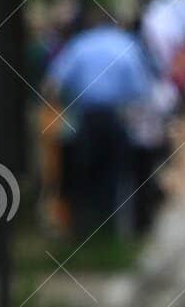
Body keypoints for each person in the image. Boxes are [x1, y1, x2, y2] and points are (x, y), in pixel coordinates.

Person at [44, 15, 157, 239]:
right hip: (116, 119)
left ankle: (84, 229)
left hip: (85, 120)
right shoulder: (126, 45)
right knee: (116, 173)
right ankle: (110, 229)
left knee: (83, 172)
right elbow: (142, 90)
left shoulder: (79, 45)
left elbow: (54, 84)